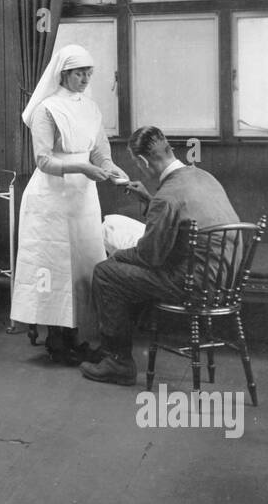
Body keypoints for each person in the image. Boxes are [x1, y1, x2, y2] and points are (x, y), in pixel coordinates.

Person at [80, 125, 239, 386]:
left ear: (142, 161)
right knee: (120, 269)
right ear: (169, 149)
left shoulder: (166, 196)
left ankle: (118, 361)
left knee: (106, 272)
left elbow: (149, 255)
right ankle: (115, 348)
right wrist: (150, 200)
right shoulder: (202, 176)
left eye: (137, 163)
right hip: (224, 278)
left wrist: (118, 255)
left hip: (194, 283)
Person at [10, 44, 129, 364]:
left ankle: (77, 336)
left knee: (83, 265)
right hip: (51, 198)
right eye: (79, 73)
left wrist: (111, 167)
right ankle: (56, 339)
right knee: (53, 267)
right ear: (63, 73)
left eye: (89, 73)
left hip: (82, 198)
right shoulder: (46, 110)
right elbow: (44, 161)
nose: (85, 78)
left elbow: (100, 149)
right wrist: (83, 168)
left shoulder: (90, 107)